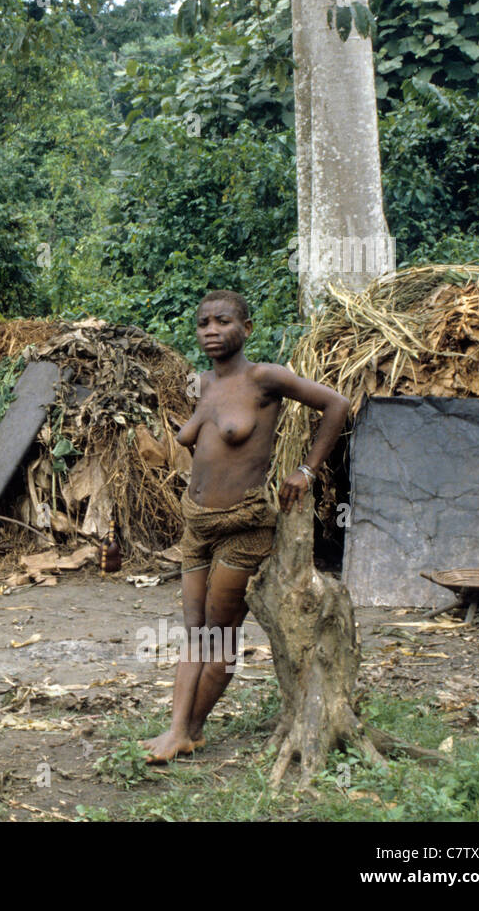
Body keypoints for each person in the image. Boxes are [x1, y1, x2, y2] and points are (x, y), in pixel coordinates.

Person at [142, 289, 350, 764]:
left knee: (217, 633)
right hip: (195, 525)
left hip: (244, 524)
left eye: (222, 321)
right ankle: (181, 730)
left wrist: (307, 471)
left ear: (247, 329)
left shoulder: (265, 379)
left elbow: (337, 405)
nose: (211, 331)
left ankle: (186, 730)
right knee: (194, 631)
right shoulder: (203, 385)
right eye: (203, 323)